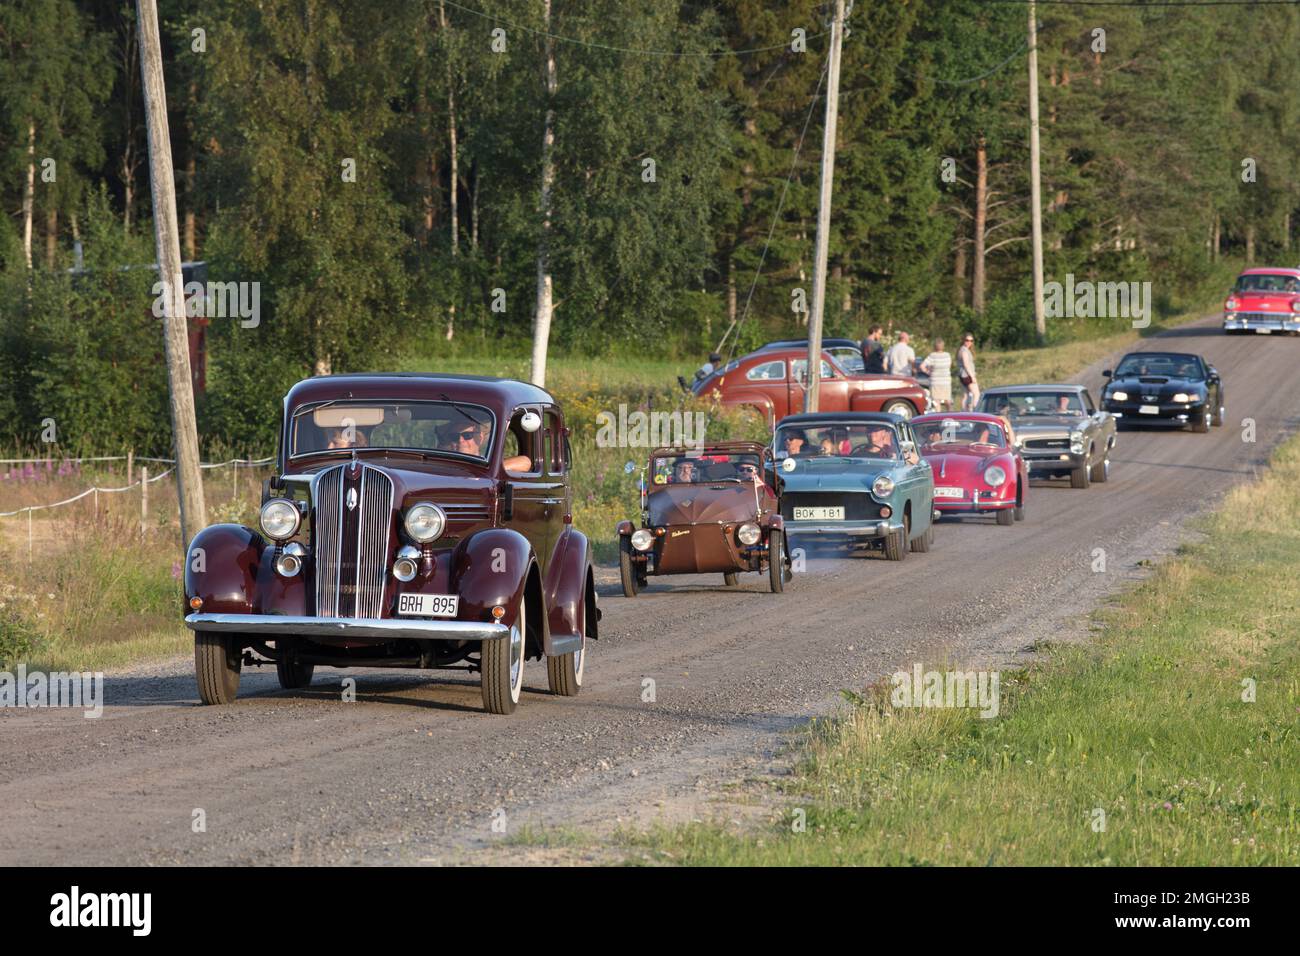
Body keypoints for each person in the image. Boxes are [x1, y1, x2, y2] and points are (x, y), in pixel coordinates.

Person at [919, 338, 953, 411]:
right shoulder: (947, 355)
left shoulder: (932, 356)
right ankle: (951, 415)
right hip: (946, 381)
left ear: (934, 346)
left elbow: (922, 366)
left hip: (935, 381)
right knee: (948, 400)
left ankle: (938, 416)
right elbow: (949, 366)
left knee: (936, 401)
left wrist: (928, 372)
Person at [958, 334, 979, 411]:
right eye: (967, 340)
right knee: (976, 394)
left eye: (971, 341)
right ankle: (975, 410)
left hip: (962, 375)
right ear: (963, 340)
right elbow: (966, 364)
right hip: (967, 375)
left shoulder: (963, 349)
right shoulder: (964, 350)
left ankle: (964, 411)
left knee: (965, 395)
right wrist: (972, 376)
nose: (969, 342)